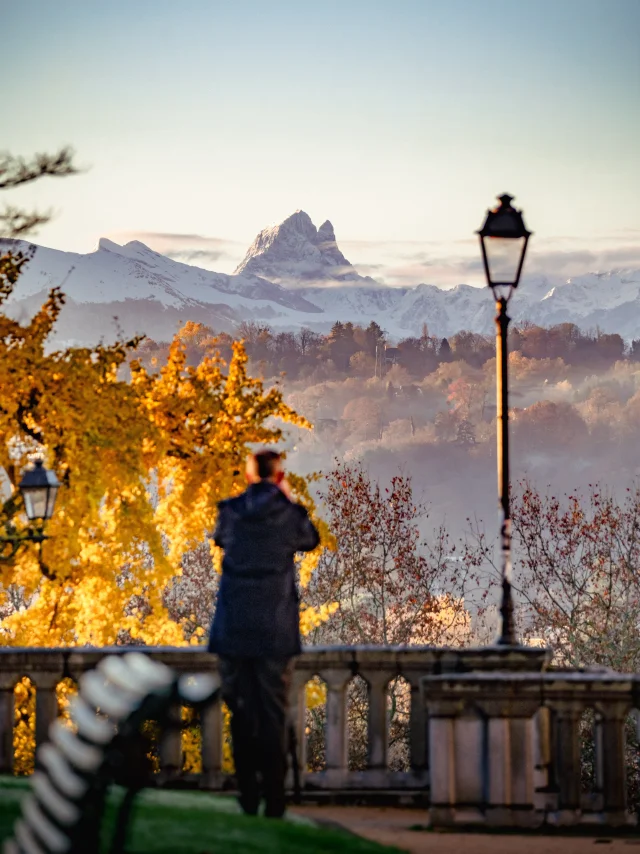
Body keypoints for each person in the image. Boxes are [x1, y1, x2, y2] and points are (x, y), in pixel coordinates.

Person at [208, 449, 320, 818]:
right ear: (278, 475)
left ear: (248, 474)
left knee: (240, 712)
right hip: (274, 628)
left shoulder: (231, 511)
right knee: (272, 712)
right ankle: (275, 796)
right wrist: (286, 498)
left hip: (234, 627)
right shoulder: (287, 514)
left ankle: (248, 793)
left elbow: (221, 538)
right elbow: (310, 540)